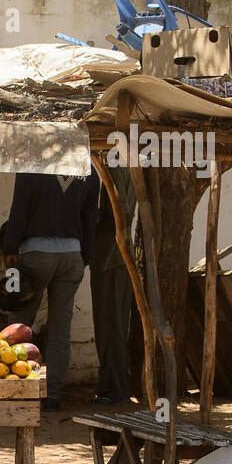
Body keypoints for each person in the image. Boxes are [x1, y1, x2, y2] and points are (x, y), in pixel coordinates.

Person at [1, 171, 98, 412]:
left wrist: (10, 247)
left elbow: (19, 209)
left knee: (19, 325)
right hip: (72, 256)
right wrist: (84, 255)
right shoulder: (89, 169)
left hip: (36, 254)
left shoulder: (33, 163)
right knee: (60, 328)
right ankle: (52, 396)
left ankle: (15, 390)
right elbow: (90, 216)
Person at [90, 164, 137, 405]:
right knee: (111, 326)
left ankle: (114, 388)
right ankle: (112, 386)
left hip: (112, 257)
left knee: (111, 326)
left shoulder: (118, 164)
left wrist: (93, 218)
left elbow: (122, 213)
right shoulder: (120, 162)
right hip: (111, 256)